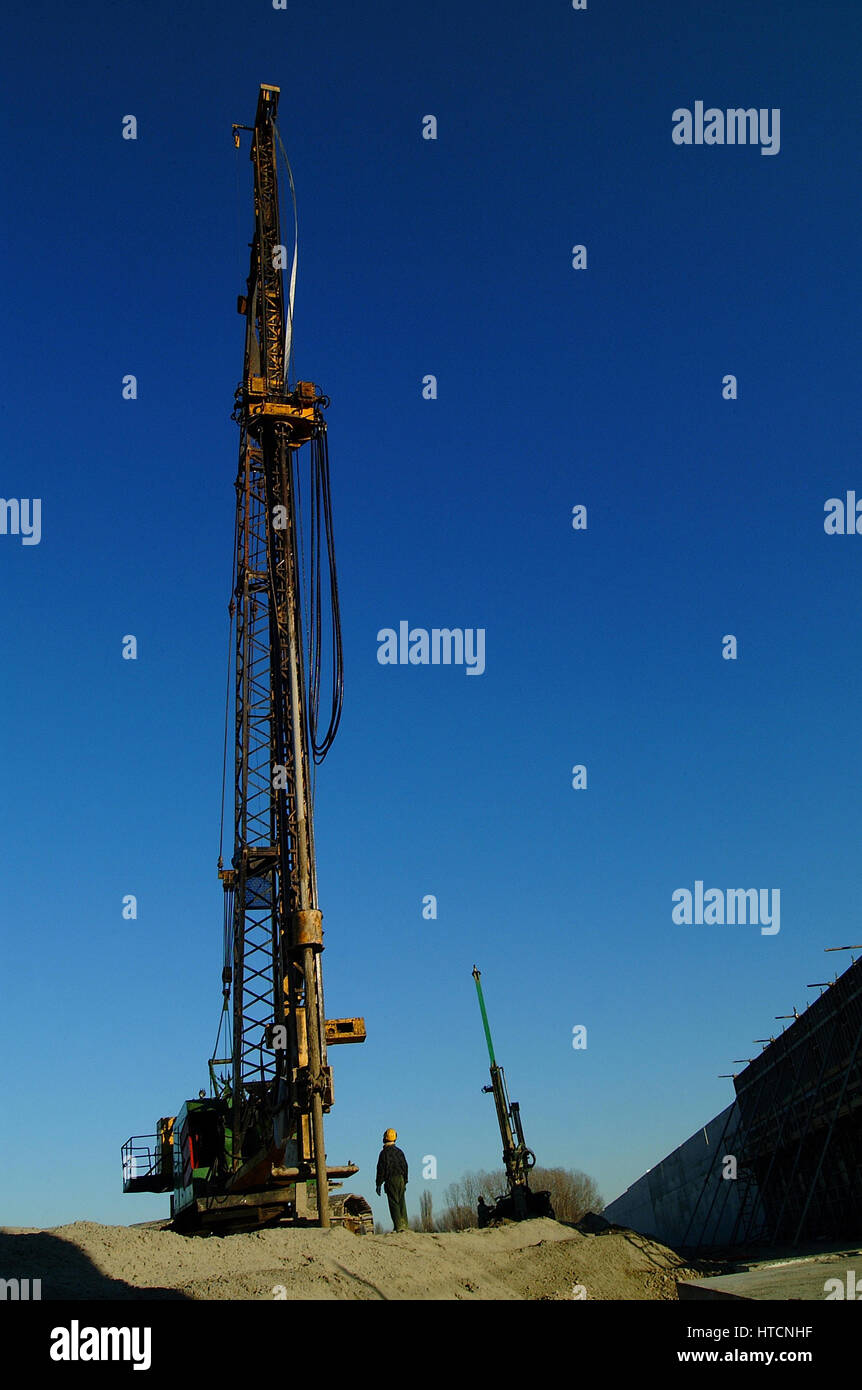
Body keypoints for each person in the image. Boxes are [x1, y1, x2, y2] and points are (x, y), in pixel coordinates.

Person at [375, 1127, 409, 1232]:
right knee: (402, 1202)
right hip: (401, 1179)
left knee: (393, 1202)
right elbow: (405, 1166)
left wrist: (378, 1184)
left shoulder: (383, 1153)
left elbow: (380, 1169)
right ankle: (405, 1225)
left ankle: (398, 1226)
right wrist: (405, 1181)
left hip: (390, 1180)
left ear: (385, 1138)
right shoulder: (400, 1152)